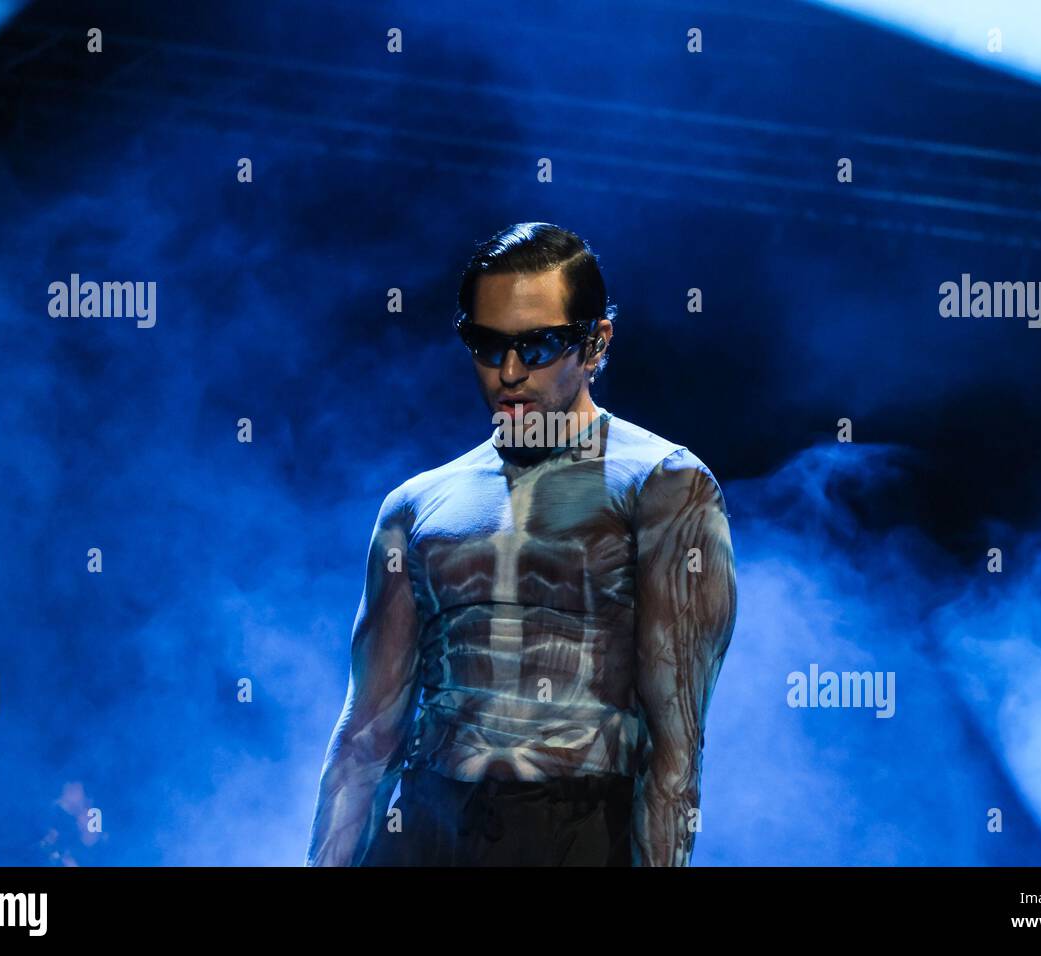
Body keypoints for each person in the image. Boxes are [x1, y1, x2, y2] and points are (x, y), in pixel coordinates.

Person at [306, 222, 737, 866]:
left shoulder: (665, 487)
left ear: (595, 343)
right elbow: (366, 736)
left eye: (537, 347)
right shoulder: (415, 506)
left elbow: (676, 750)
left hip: (578, 836)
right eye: (486, 345)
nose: (508, 373)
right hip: (425, 829)